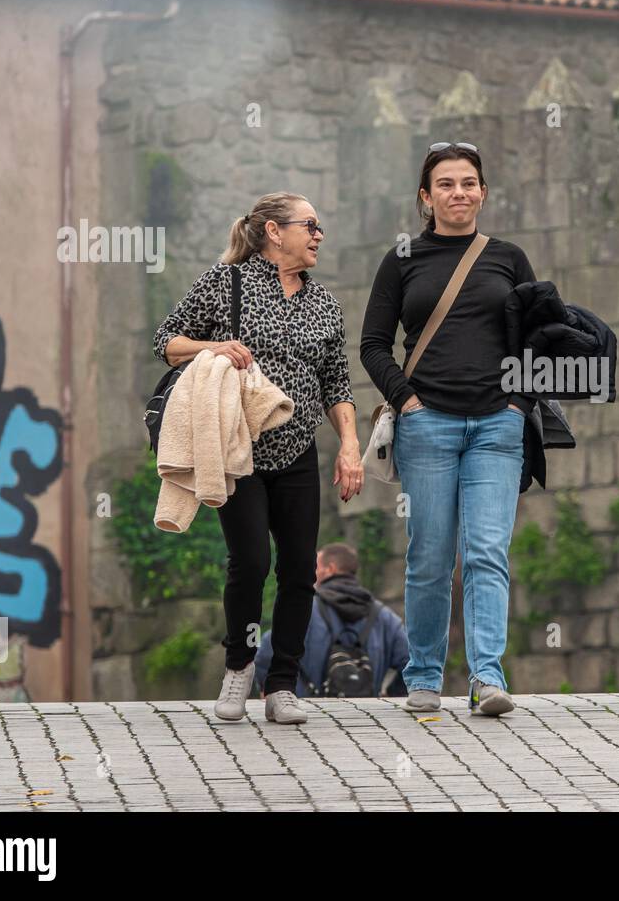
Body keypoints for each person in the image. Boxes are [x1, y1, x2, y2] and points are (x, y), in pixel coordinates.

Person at [152, 191, 364, 726]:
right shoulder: (227, 284)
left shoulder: (324, 304)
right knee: (251, 562)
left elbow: (336, 381)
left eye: (320, 227)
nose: (319, 235)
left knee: (298, 568)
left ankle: (283, 684)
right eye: (310, 225)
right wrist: (213, 346)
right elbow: (166, 339)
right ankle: (239, 666)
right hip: (236, 451)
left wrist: (351, 444)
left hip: (298, 453)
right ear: (274, 231)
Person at [360, 143, 536, 717]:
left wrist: (517, 402)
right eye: (445, 184)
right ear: (425, 196)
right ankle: (425, 676)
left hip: (496, 428)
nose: (458, 193)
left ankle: (487, 677)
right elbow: (372, 344)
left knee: (487, 551)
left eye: (468, 183)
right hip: (427, 424)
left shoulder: (508, 258)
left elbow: (537, 340)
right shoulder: (403, 258)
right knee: (430, 554)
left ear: (483, 192)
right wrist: (405, 400)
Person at [253, 543, 409, 698]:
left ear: (330, 569)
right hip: (367, 713)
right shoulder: (385, 617)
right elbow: (409, 660)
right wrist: (394, 693)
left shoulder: (302, 611)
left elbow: (266, 655)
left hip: (308, 713)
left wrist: (269, 690)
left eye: (316, 566)